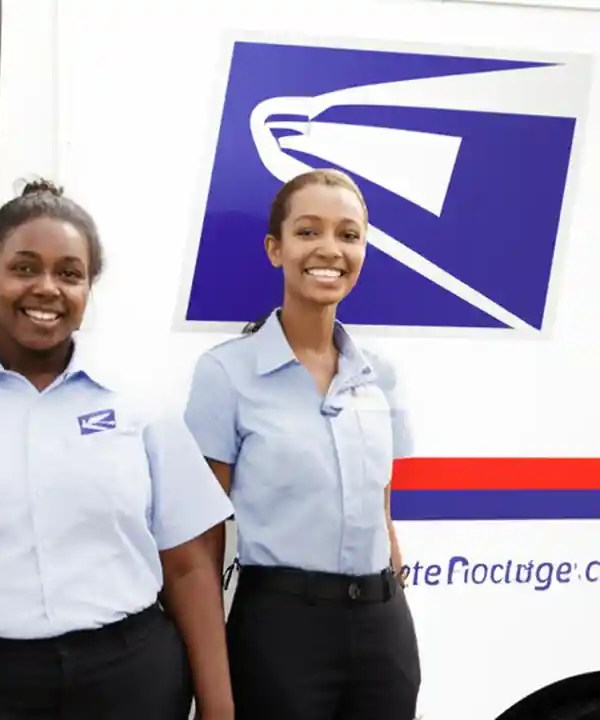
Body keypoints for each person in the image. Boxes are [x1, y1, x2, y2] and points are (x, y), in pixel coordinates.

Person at [0, 179, 236, 720]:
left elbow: (190, 568)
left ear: (88, 289)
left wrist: (219, 709)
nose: (47, 289)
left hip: (127, 681)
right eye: (25, 268)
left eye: (69, 273)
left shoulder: (139, 405)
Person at [183, 168, 422, 720]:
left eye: (348, 234)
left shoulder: (380, 377)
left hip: (382, 631)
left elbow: (383, 516)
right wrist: (212, 685)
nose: (329, 250)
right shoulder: (226, 373)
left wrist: (396, 605)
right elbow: (200, 543)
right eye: (308, 231)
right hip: (281, 630)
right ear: (276, 248)